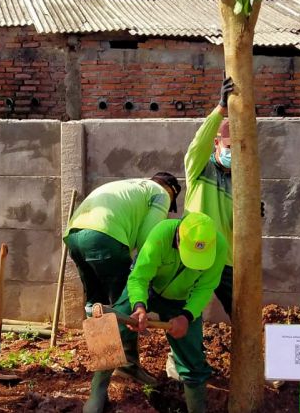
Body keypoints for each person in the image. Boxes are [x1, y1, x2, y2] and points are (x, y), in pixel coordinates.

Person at [83, 212, 229, 413]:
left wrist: (187, 316)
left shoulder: (219, 246)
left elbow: (205, 287)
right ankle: (98, 390)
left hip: (183, 300)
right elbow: (139, 277)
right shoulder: (161, 234)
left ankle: (196, 408)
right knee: (109, 330)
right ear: (178, 238)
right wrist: (139, 307)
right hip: (149, 288)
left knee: (193, 356)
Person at [65, 173, 181, 385]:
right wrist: (149, 274)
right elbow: (148, 240)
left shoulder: (131, 186)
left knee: (97, 304)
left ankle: (104, 362)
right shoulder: (161, 194)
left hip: (74, 234)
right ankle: (127, 366)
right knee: (125, 301)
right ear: (170, 190)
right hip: (106, 235)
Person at [184, 77, 235, 318]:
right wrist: (220, 109)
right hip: (194, 250)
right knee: (187, 312)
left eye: (238, 149)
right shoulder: (199, 168)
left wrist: (253, 214)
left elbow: (237, 226)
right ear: (217, 143)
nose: (233, 153)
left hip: (226, 258)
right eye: (229, 147)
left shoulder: (241, 181)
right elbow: (198, 143)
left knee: (240, 311)